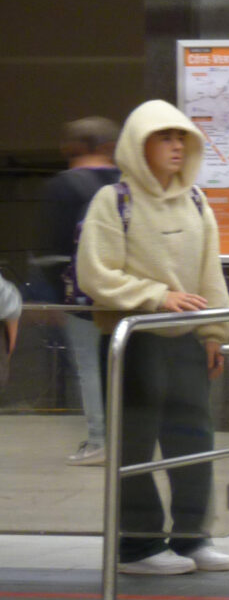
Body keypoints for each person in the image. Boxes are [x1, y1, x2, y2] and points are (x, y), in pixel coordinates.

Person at [76, 100, 229, 577]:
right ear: (136, 145)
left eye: (180, 138)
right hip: (134, 339)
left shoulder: (197, 201)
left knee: (194, 439)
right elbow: (94, 275)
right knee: (135, 445)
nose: (175, 147)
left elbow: (211, 274)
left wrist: (215, 332)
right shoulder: (113, 201)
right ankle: (137, 546)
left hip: (185, 342)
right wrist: (156, 296)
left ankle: (193, 537)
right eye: (164, 138)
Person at [36, 117, 121, 465]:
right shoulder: (126, 183)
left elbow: (50, 251)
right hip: (126, 294)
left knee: (89, 366)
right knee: (125, 363)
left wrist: (51, 296)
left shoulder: (63, 187)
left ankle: (100, 440)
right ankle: (129, 439)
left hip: (81, 296)